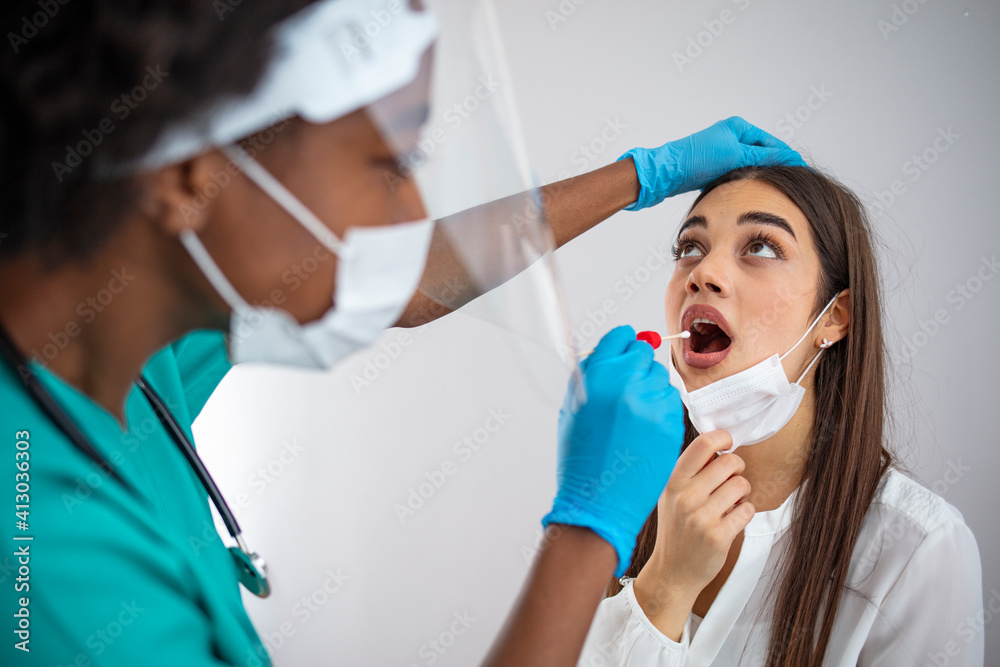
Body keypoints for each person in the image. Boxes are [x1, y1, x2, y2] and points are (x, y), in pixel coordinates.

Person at [0, 1, 806, 665]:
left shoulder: (132, 330)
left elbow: (405, 277)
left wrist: (646, 175)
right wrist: (589, 529)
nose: (413, 216)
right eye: (388, 165)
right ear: (188, 178)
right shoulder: (51, 570)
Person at [576, 165, 984, 666]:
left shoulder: (917, 549)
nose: (702, 274)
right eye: (690, 249)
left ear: (834, 317)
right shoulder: (617, 492)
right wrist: (662, 588)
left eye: (761, 247)